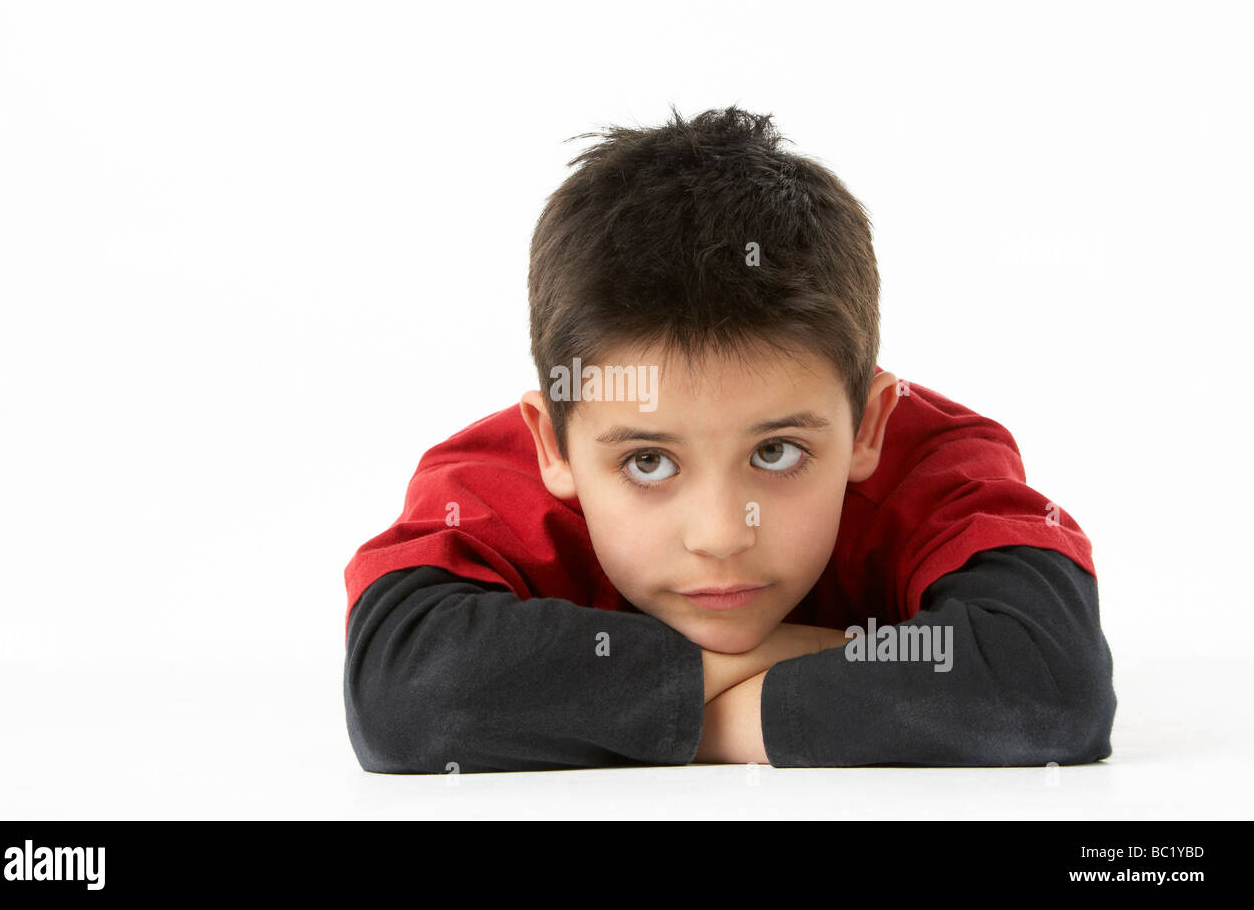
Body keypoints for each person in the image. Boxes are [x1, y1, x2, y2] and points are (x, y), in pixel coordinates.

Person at [342, 105, 1116, 773]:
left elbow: (1048, 680)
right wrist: (808, 663)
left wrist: (684, 719)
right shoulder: (491, 483)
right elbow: (409, 695)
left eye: (775, 452)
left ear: (869, 426)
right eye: (648, 461)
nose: (720, 536)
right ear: (551, 444)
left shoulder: (930, 463)